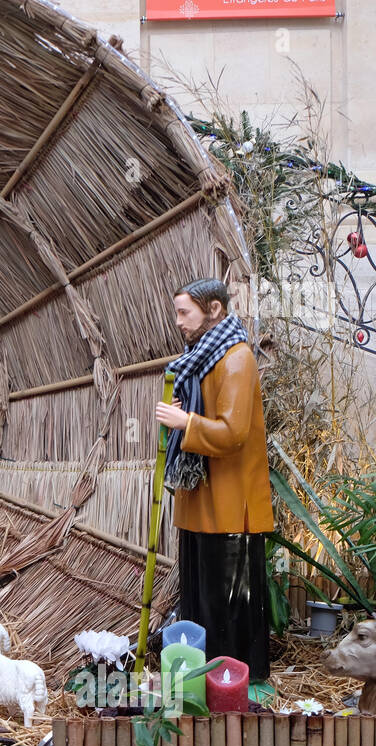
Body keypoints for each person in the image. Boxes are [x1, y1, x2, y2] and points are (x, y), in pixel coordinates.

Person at [154, 278, 274, 682]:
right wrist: (183, 411)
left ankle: (239, 678)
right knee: (202, 600)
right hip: (201, 502)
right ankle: (205, 675)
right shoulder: (203, 359)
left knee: (229, 604)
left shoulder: (236, 360)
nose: (178, 322)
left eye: (184, 312)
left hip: (229, 507)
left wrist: (185, 421)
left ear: (215, 311)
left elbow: (233, 432)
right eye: (178, 312)